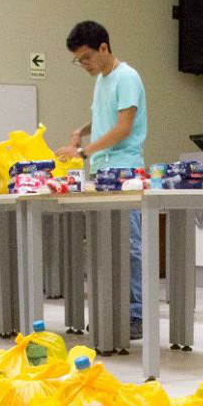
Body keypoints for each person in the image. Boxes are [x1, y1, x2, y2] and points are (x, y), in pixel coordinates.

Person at [58, 20, 147, 339]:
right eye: (78, 60)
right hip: (103, 170)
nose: (83, 65)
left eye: (86, 58)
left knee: (130, 244)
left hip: (125, 171)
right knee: (103, 244)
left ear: (104, 48)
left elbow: (123, 126)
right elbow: (105, 116)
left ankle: (135, 313)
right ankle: (110, 310)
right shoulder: (102, 80)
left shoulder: (127, 77)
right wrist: (81, 131)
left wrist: (82, 150)